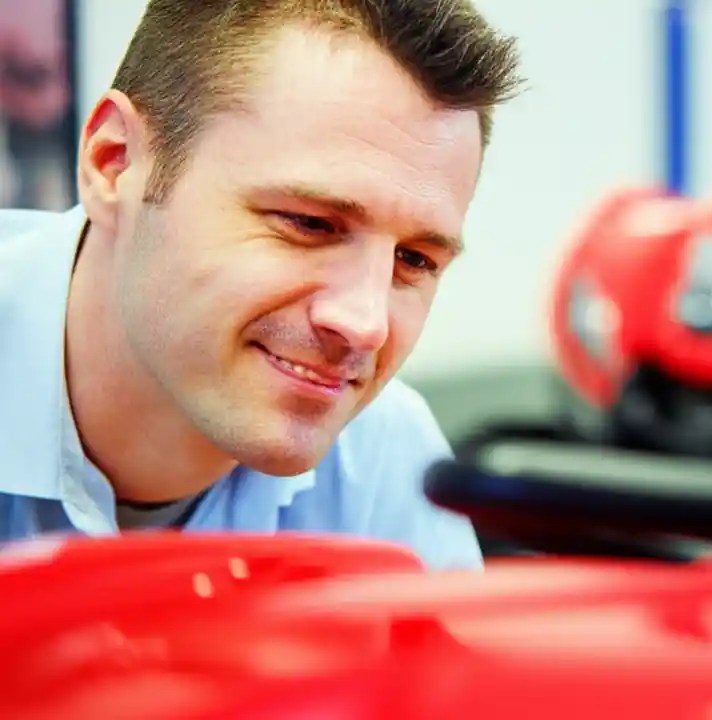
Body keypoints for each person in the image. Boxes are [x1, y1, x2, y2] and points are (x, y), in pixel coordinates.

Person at [0, 0, 523, 571]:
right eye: (309, 224)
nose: (365, 324)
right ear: (116, 163)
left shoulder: (385, 456)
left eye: (415, 260)